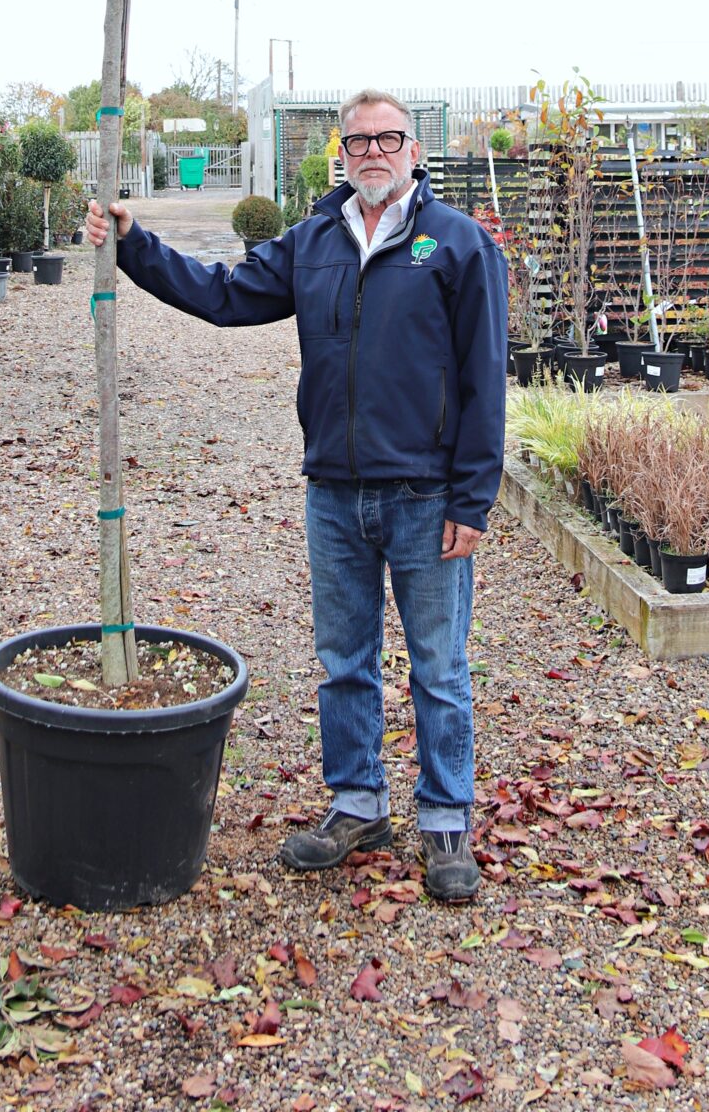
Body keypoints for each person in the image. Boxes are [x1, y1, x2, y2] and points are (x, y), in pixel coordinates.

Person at [85, 90, 508, 902]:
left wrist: (472, 500)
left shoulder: (457, 244)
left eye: (388, 138)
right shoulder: (312, 242)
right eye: (358, 142)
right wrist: (136, 244)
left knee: (438, 666)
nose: (372, 152)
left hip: (424, 494)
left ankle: (446, 820)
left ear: (414, 151)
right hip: (334, 492)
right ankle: (357, 804)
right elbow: (220, 295)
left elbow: (484, 376)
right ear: (340, 155)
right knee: (343, 661)